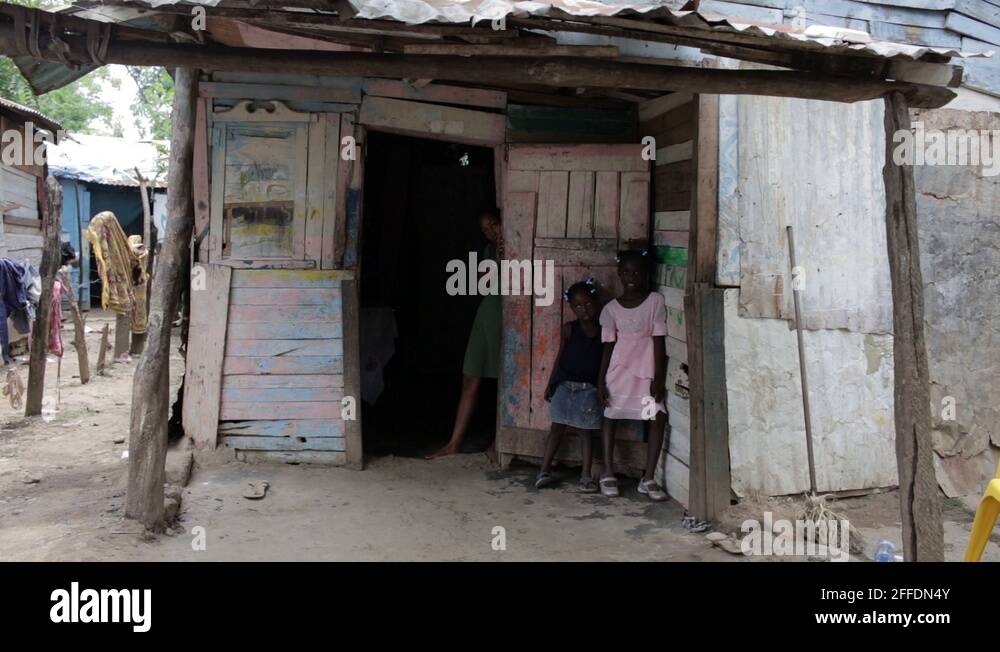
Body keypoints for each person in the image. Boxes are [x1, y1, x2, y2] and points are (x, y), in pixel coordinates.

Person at [427, 208, 504, 459]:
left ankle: (501, 442)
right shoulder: (489, 251)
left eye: (494, 225)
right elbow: (483, 285)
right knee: (470, 378)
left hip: (510, 319)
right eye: (485, 229)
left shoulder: (523, 246)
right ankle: (454, 443)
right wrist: (496, 258)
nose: (491, 232)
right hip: (487, 316)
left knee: (507, 382)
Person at [596, 249, 669, 501]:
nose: (631, 276)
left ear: (645, 273)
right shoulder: (610, 310)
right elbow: (607, 346)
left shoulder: (655, 302)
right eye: (626, 271)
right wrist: (600, 380)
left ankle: (647, 478)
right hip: (618, 370)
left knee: (656, 417)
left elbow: (659, 341)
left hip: (646, 370)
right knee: (610, 416)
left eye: (637, 271)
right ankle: (608, 472)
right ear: (619, 273)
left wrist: (659, 377)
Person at [534, 279, 604, 492]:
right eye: (578, 306)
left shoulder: (604, 332)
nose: (584, 309)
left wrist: (601, 387)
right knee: (557, 428)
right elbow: (559, 357)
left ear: (596, 302)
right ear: (572, 308)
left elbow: (605, 363)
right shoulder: (569, 329)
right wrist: (550, 383)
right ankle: (544, 471)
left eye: (588, 304)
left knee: (585, 431)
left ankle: (586, 476)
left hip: (589, 388)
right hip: (564, 385)